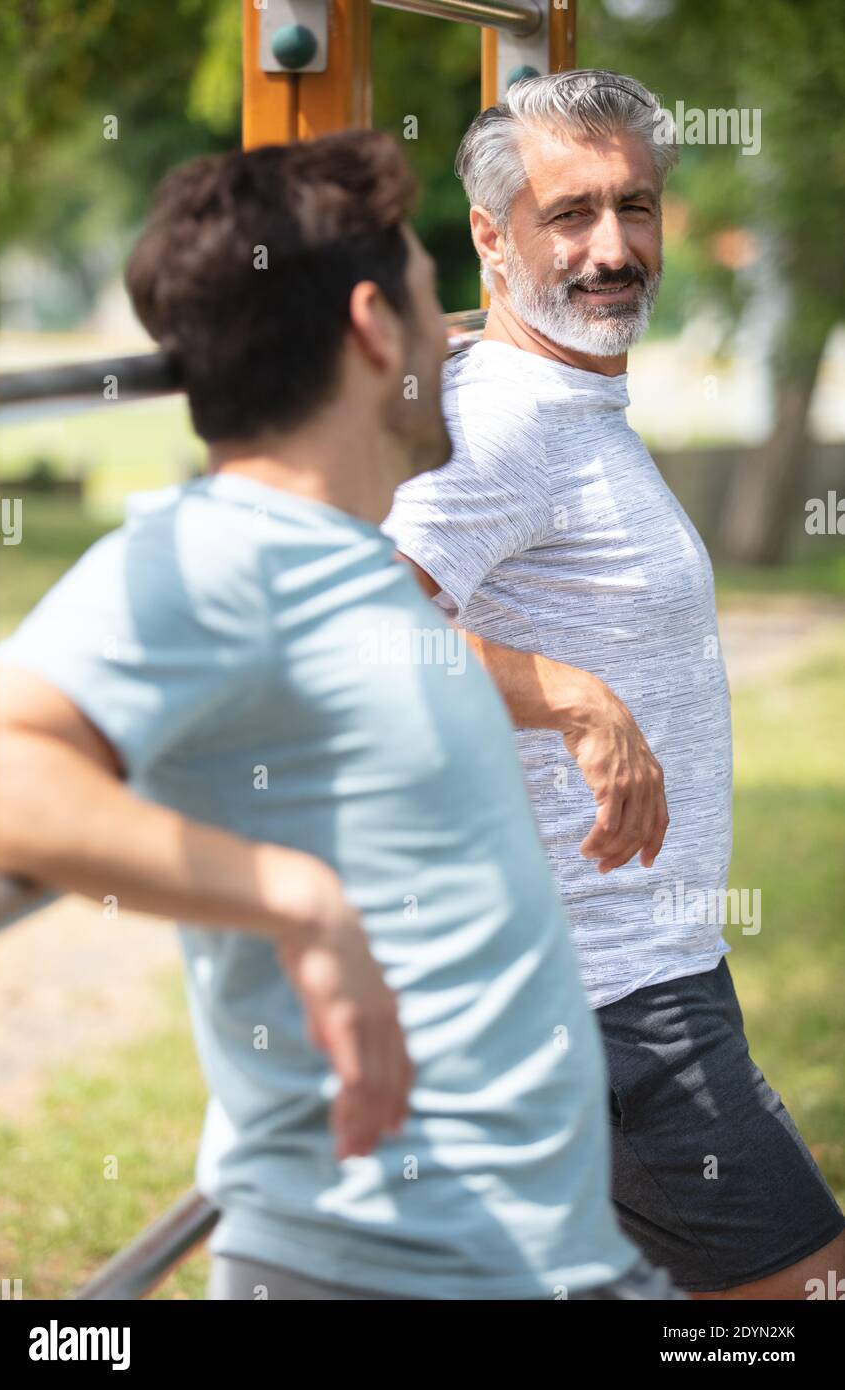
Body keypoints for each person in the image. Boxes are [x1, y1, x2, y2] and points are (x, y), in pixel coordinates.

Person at [0, 131, 682, 1300]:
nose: (454, 334)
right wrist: (291, 900)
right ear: (372, 328)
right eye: (428, 299)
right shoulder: (222, 550)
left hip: (529, 1268)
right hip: (387, 1273)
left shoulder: (351, 560)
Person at [384, 69, 845, 1298]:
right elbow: (357, 625)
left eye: (632, 207)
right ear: (490, 235)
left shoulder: (560, 394)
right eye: (568, 214)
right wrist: (571, 698)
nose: (611, 249)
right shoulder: (501, 420)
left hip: (645, 965)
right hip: (597, 996)